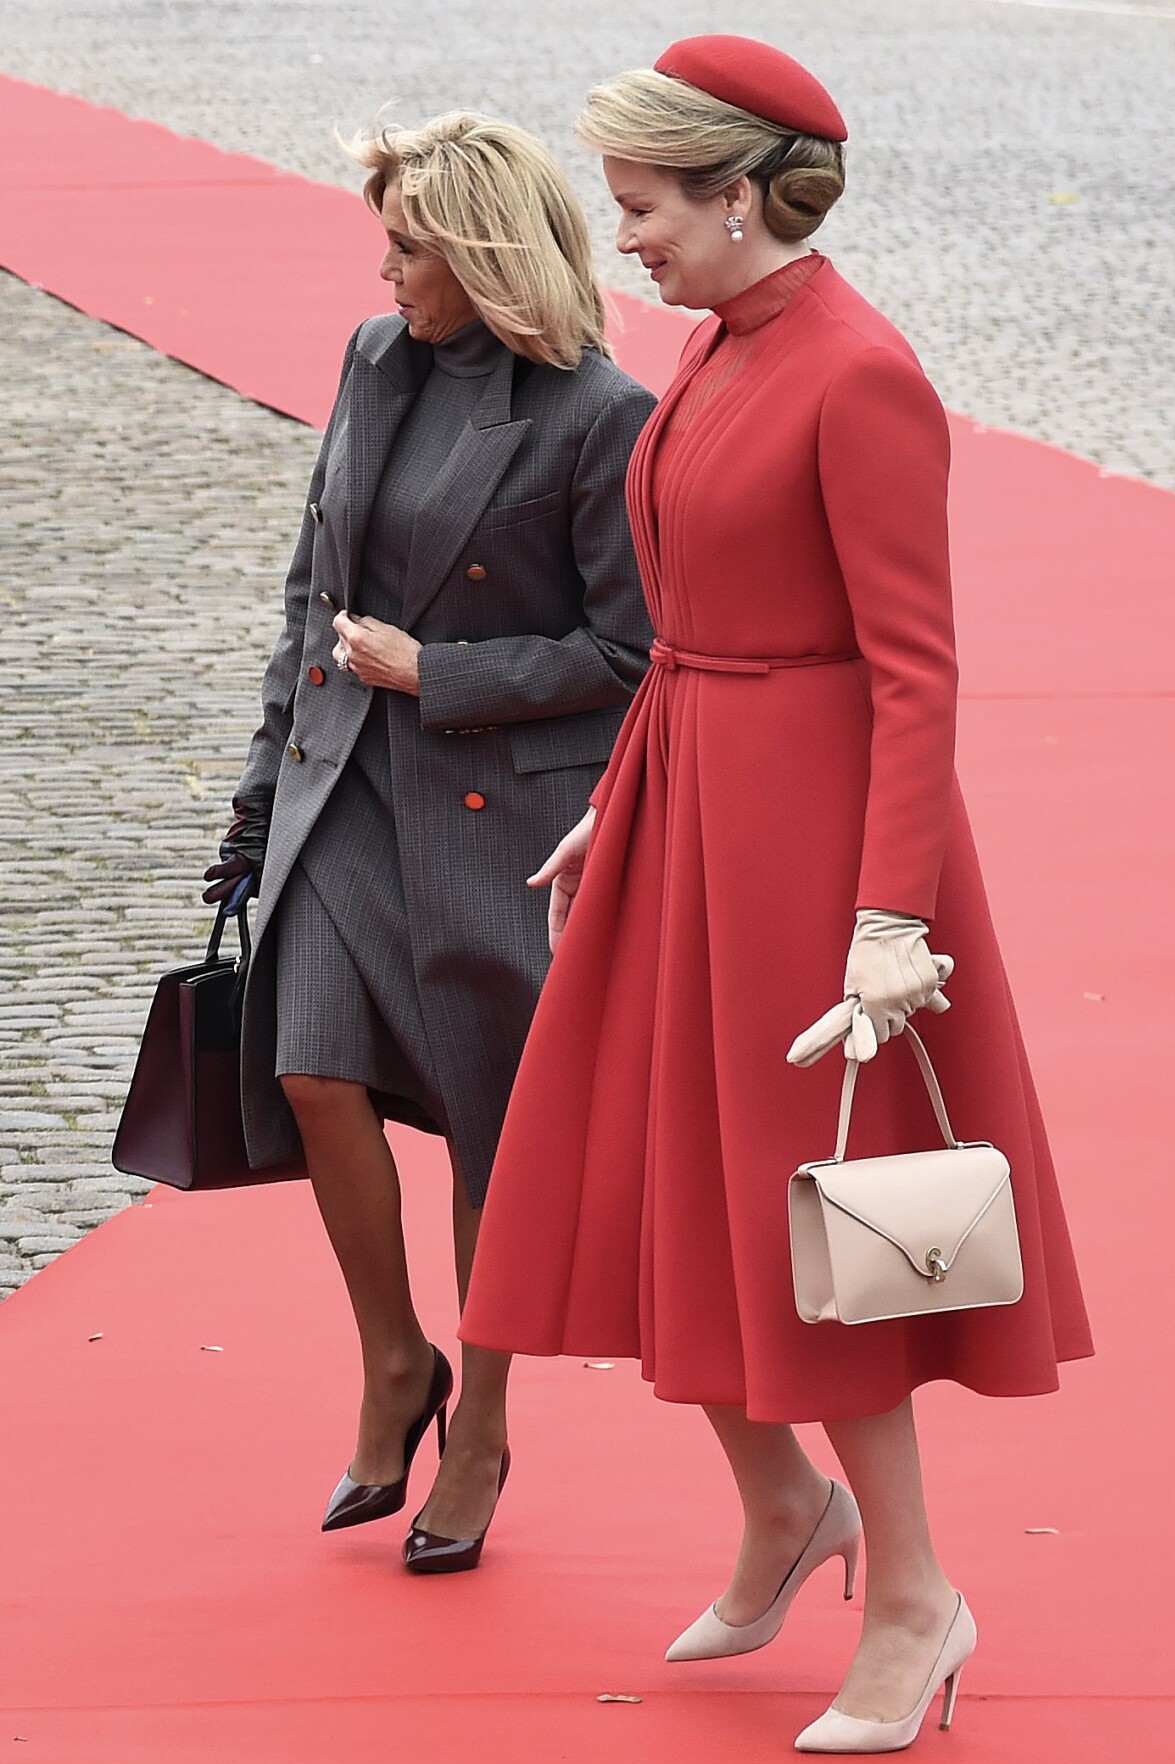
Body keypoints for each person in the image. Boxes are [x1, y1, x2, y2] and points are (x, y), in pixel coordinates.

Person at [461, 36, 1092, 1751]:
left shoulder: (857, 372)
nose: (627, 242)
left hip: (819, 852)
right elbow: (696, 624)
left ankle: (914, 1598)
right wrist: (620, 799)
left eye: (649, 206)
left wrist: (893, 921)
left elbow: (916, 670)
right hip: (692, 804)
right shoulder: (725, 341)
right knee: (650, 1184)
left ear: (741, 194)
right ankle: (778, 1506)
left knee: (821, 1239)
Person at [203, 110, 654, 1572]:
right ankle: (398, 1360)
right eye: (387, 243)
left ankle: (486, 1423)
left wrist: (441, 676)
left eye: (410, 246)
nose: (387, 269)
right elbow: (307, 589)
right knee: (311, 1070)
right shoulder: (371, 359)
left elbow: (635, 652)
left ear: (479, 251)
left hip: (490, 809)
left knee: (480, 1133)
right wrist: (259, 794)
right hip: (343, 787)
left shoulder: (598, 415)